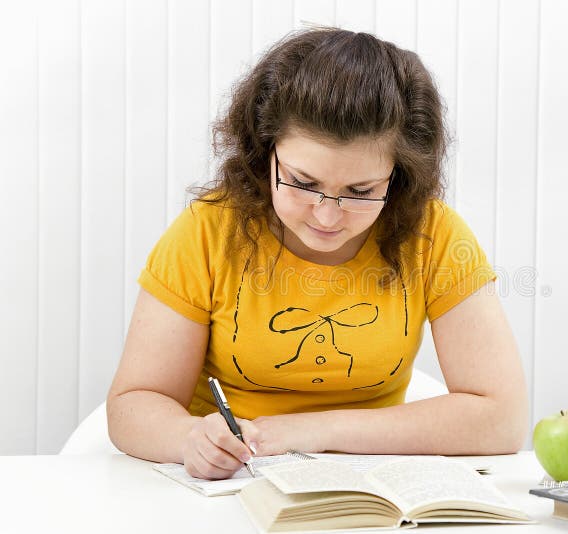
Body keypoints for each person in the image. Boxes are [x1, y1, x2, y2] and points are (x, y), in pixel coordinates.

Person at [107, 27, 528, 480]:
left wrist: (307, 431)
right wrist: (188, 439)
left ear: (399, 176)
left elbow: (501, 420)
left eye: (361, 191)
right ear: (263, 149)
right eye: (303, 183)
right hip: (230, 485)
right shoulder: (208, 231)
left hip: (368, 486)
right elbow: (133, 404)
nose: (327, 217)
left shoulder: (434, 235)